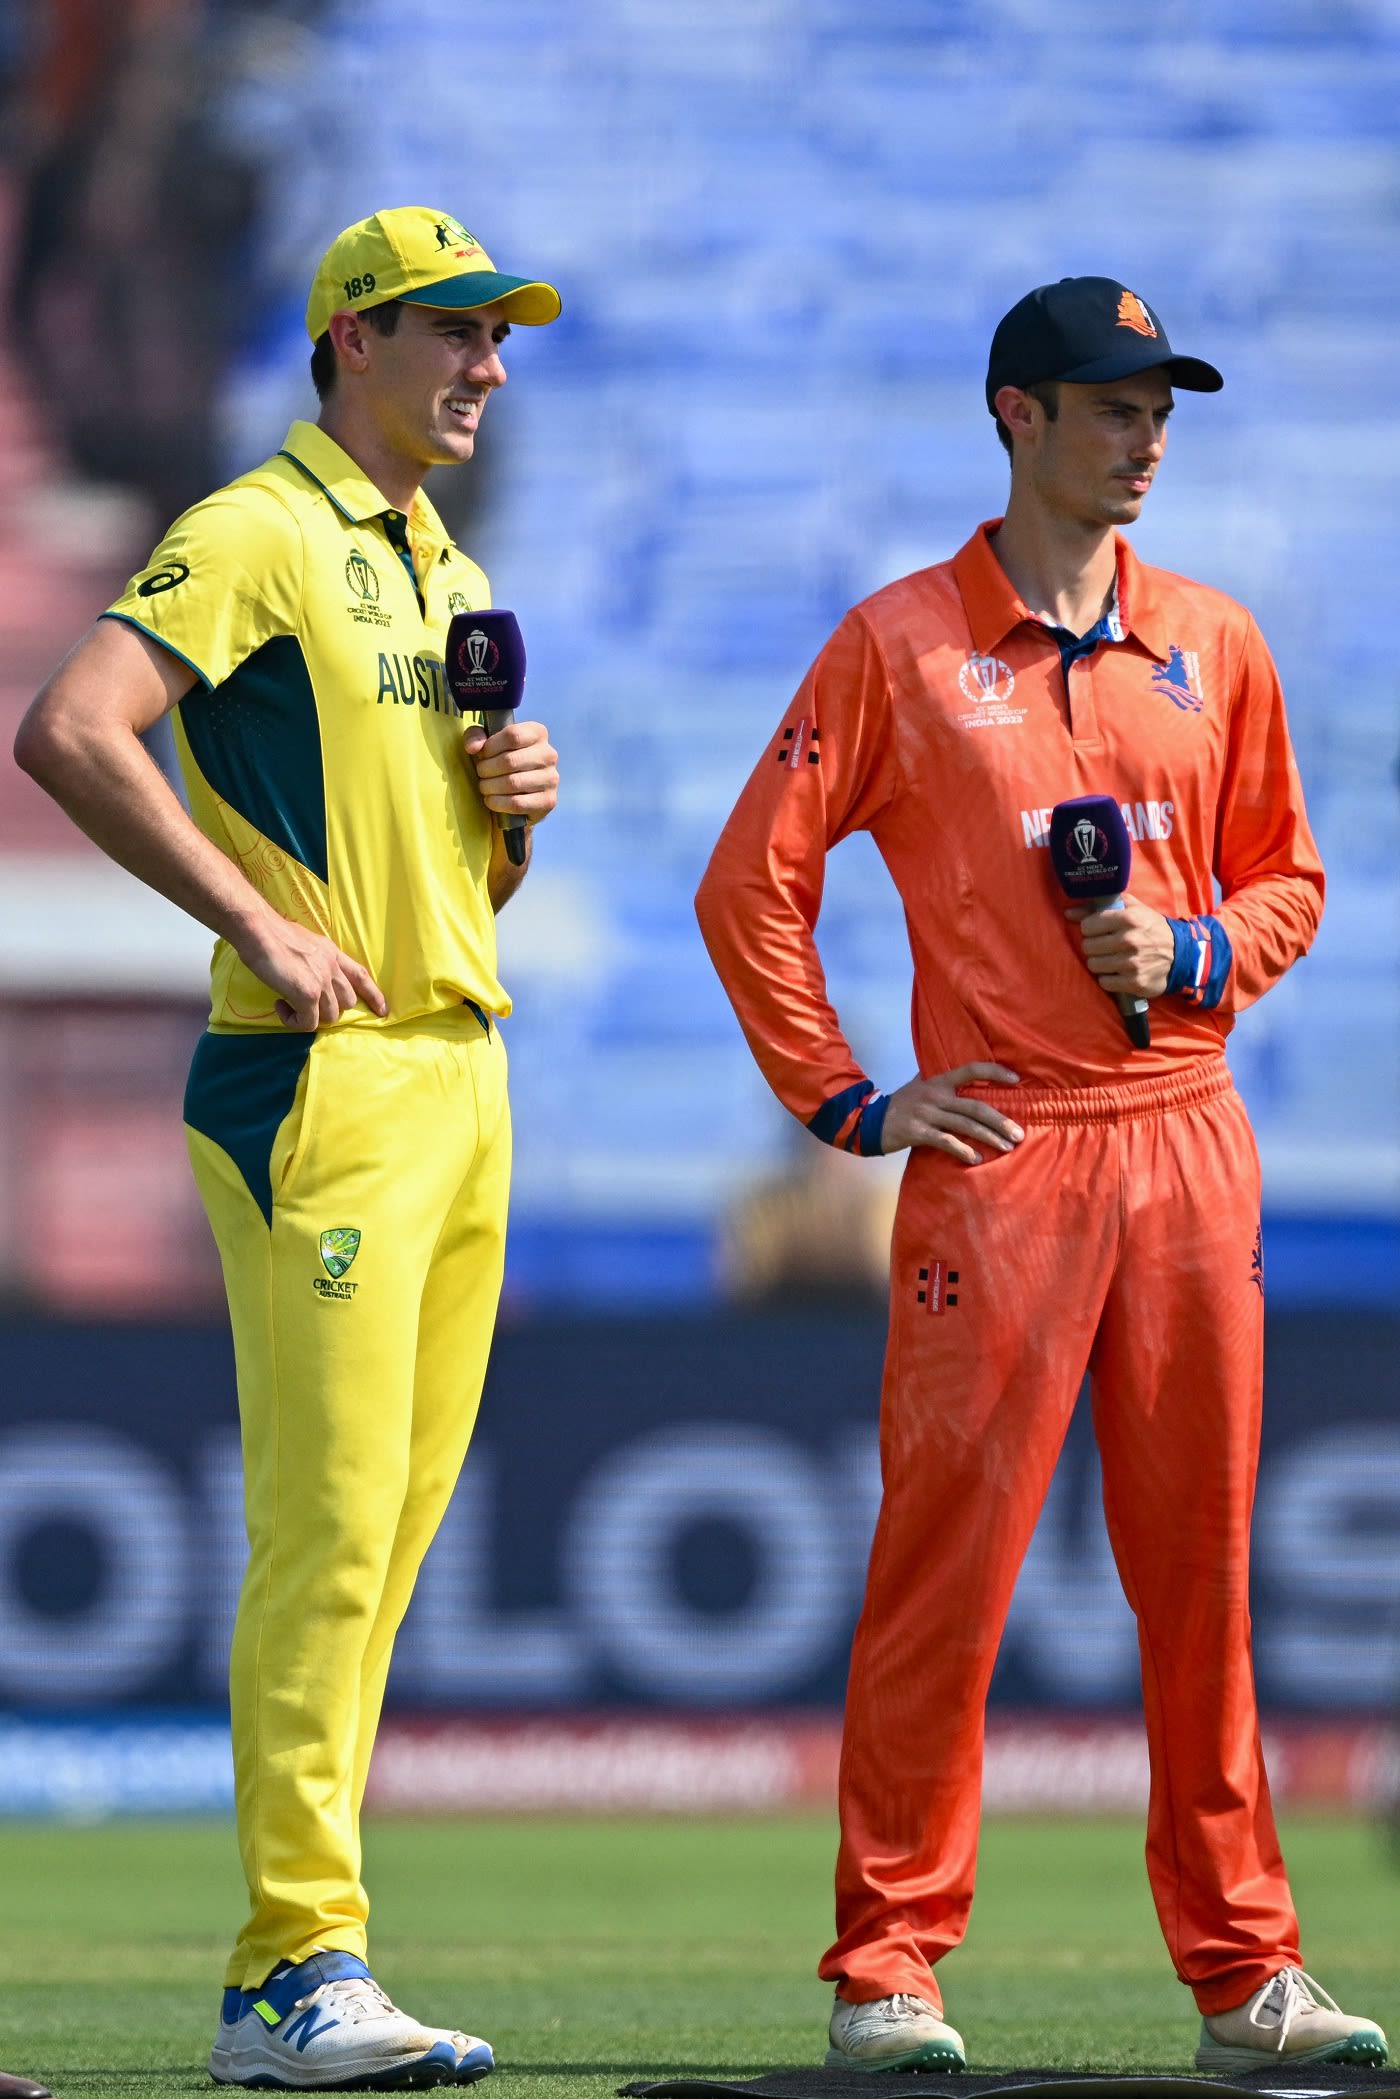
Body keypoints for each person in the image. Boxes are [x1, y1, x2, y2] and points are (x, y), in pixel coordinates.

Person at [695, 276, 1388, 2074]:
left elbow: (1292, 878)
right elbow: (748, 882)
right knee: (949, 1570)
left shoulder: (1217, 641)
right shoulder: (906, 643)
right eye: (1109, 405)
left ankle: (1247, 1981)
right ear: (1016, 413)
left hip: (1188, 1139)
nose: (1147, 435)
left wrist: (1201, 954)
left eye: (1162, 407)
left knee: (1201, 1575)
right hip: (1005, 1154)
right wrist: (849, 1103)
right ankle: (888, 1975)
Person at [15, 205, 561, 2091]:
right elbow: (72, 728)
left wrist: (515, 815)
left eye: (501, 337)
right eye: (455, 332)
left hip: (459, 1072)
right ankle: (290, 1972)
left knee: (391, 1545)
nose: (491, 365)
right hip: (320, 1081)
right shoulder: (258, 529)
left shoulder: (439, 559)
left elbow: (434, 867)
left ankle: (311, 1964)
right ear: (349, 339)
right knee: (329, 1537)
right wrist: (246, 923)